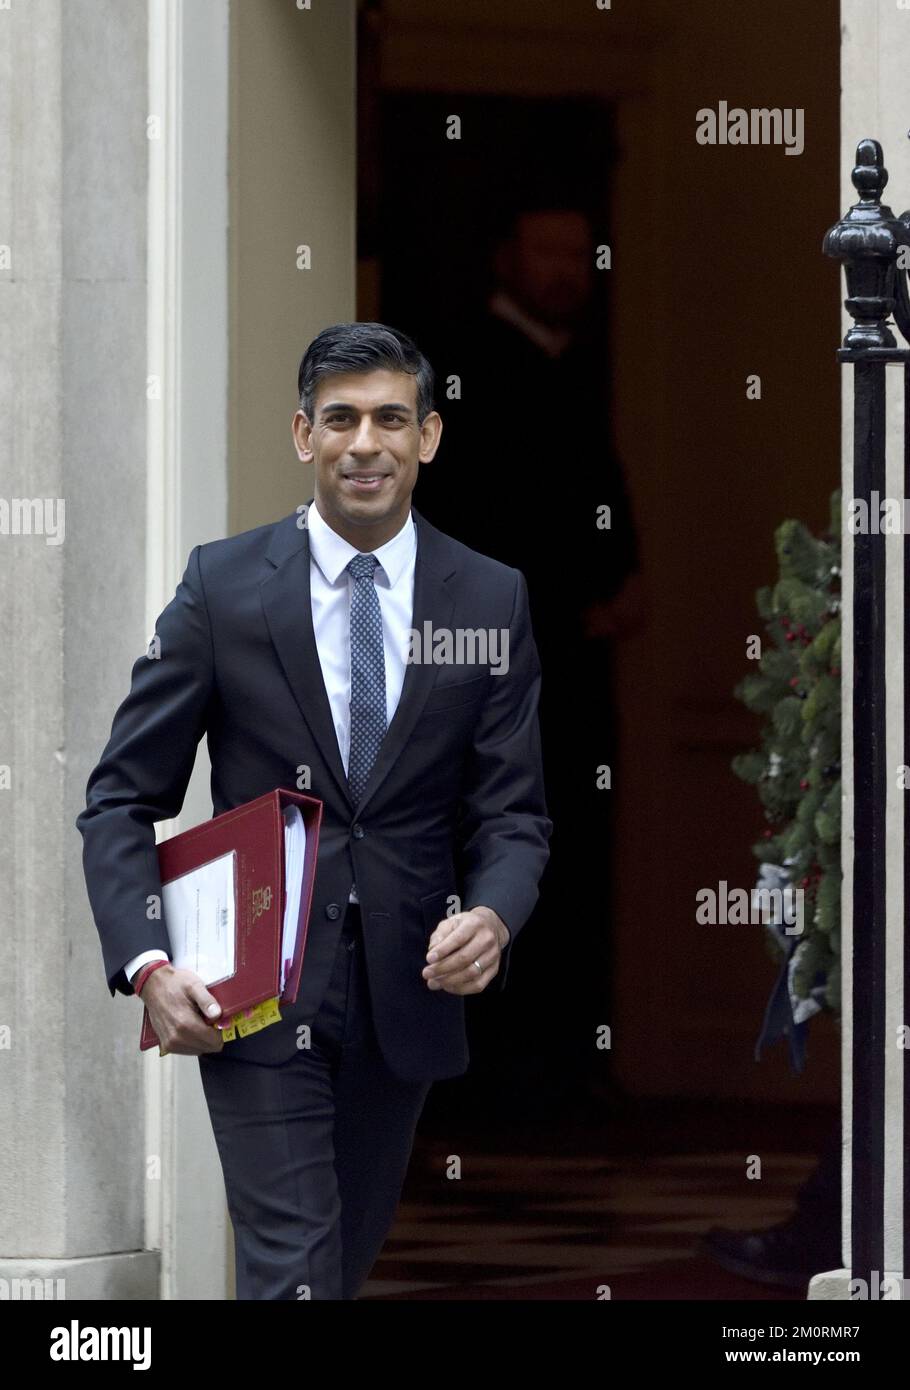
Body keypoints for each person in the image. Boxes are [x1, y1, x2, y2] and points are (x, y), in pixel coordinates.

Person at [76, 322, 552, 1300]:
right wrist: (148, 962)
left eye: (389, 419)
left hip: (404, 995)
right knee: (292, 1267)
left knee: (337, 1261)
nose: (363, 443)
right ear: (303, 435)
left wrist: (495, 914)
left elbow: (514, 812)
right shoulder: (223, 590)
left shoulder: (488, 599)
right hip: (251, 994)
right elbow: (120, 796)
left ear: (428, 437)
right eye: (339, 419)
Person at [415, 202, 644, 1111]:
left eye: (574, 254)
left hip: (576, 671)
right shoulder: (466, 369)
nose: (562, 270)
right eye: (543, 250)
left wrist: (625, 577)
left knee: (572, 853)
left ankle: (561, 1065)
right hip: (495, 670)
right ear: (507, 255)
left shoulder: (574, 361)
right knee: (493, 844)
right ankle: (497, 1076)